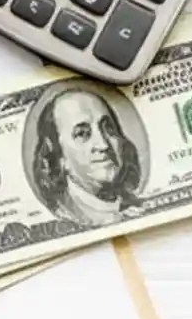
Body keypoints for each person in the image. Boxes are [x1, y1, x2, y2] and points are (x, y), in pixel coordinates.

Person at [30, 87, 144, 227]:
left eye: (108, 128)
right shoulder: (66, 215)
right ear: (59, 157)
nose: (103, 144)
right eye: (82, 134)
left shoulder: (136, 205)